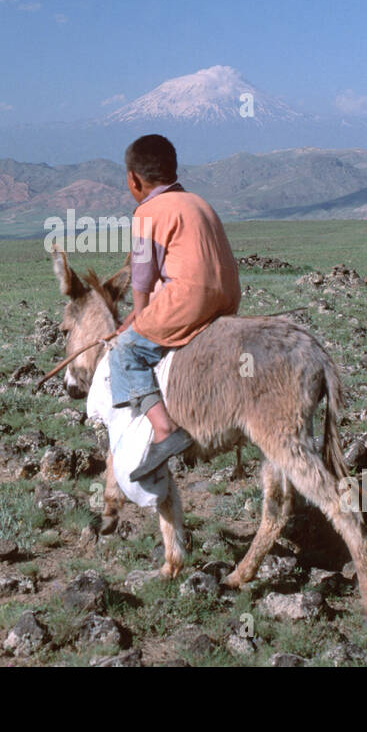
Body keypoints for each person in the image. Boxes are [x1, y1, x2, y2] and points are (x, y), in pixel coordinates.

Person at [105, 134, 242, 481]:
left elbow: (141, 275)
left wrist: (139, 315)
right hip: (227, 298)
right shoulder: (199, 201)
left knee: (124, 352)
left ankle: (164, 431)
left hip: (189, 300)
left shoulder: (147, 212)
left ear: (133, 179)